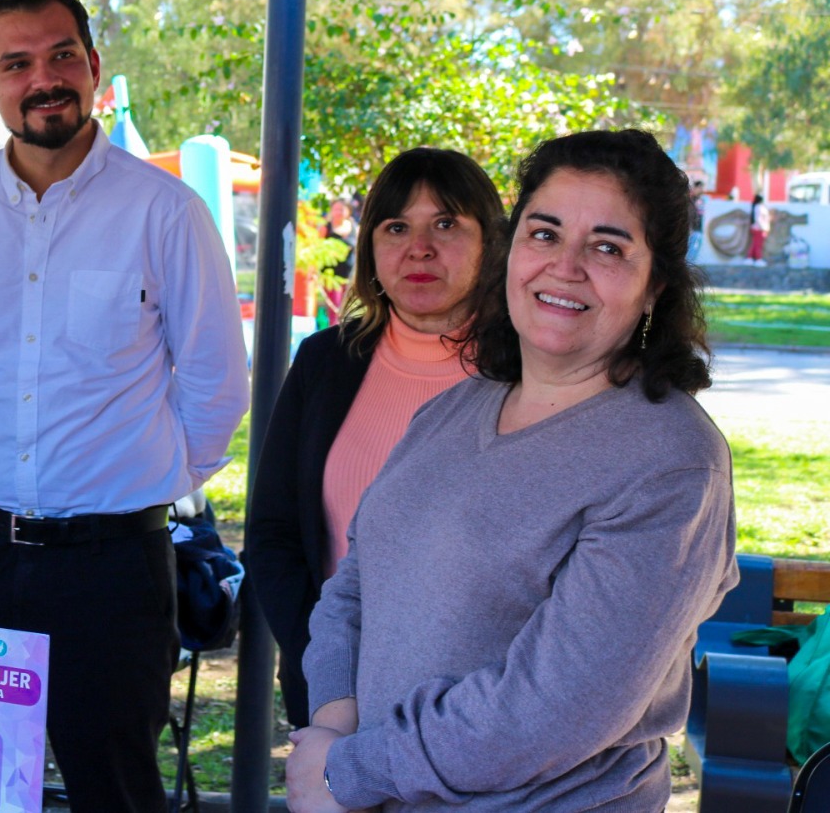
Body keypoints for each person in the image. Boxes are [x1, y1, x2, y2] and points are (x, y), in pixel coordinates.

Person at [288, 128, 738, 813]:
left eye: (608, 247)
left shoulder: (670, 461)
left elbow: (553, 709)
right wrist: (334, 727)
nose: (566, 266)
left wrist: (351, 771)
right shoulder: (455, 408)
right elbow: (355, 582)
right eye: (545, 234)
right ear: (511, 251)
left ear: (655, 287)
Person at [0, 0, 250, 813]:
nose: (45, 79)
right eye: (17, 63)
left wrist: (139, 484)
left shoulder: (165, 212)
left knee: (117, 791)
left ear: (94, 67)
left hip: (113, 570)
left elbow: (216, 383)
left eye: (62, 55)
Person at [244, 147, 505, 725]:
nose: (420, 248)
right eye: (396, 227)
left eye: (446, 224)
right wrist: (323, 665)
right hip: (334, 698)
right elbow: (274, 534)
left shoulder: (525, 374)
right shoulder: (324, 362)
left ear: (491, 243)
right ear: (369, 247)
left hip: (475, 711)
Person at [320, 198, 359, 320]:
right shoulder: (326, 227)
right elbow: (317, 247)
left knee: (348, 309)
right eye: (336, 209)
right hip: (331, 275)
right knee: (335, 309)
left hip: (349, 275)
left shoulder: (354, 227)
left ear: (348, 211)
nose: (338, 212)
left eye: (341, 209)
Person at [748, 191, 771, 265]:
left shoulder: (756, 207)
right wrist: (764, 228)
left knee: (755, 244)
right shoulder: (759, 207)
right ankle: (758, 259)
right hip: (759, 228)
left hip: (756, 228)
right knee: (758, 245)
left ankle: (750, 258)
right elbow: (759, 219)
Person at [687, 178, 706, 262]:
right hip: (692, 230)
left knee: (695, 252)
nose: (701, 190)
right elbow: (690, 214)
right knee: (690, 253)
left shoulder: (701, 200)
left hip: (698, 229)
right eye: (699, 187)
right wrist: (689, 229)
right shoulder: (690, 200)